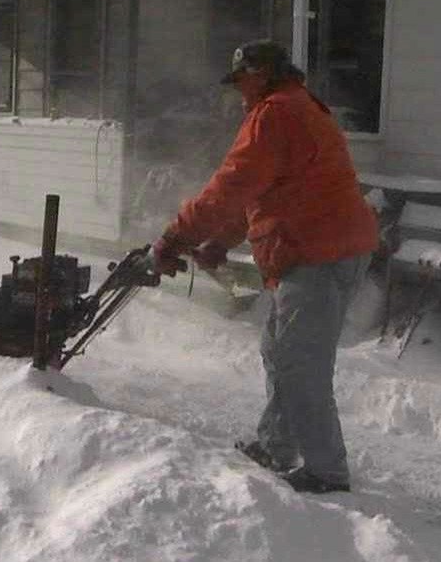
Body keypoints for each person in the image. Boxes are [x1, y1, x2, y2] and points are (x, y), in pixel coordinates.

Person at [152, 39, 378, 494]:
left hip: (318, 253)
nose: (238, 91)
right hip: (313, 248)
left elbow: (230, 186)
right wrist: (221, 240)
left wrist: (176, 237)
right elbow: (264, 192)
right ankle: (276, 446)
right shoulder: (295, 106)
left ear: (262, 73)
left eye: (242, 80)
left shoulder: (276, 113)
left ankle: (326, 473)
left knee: (300, 364)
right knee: (280, 351)